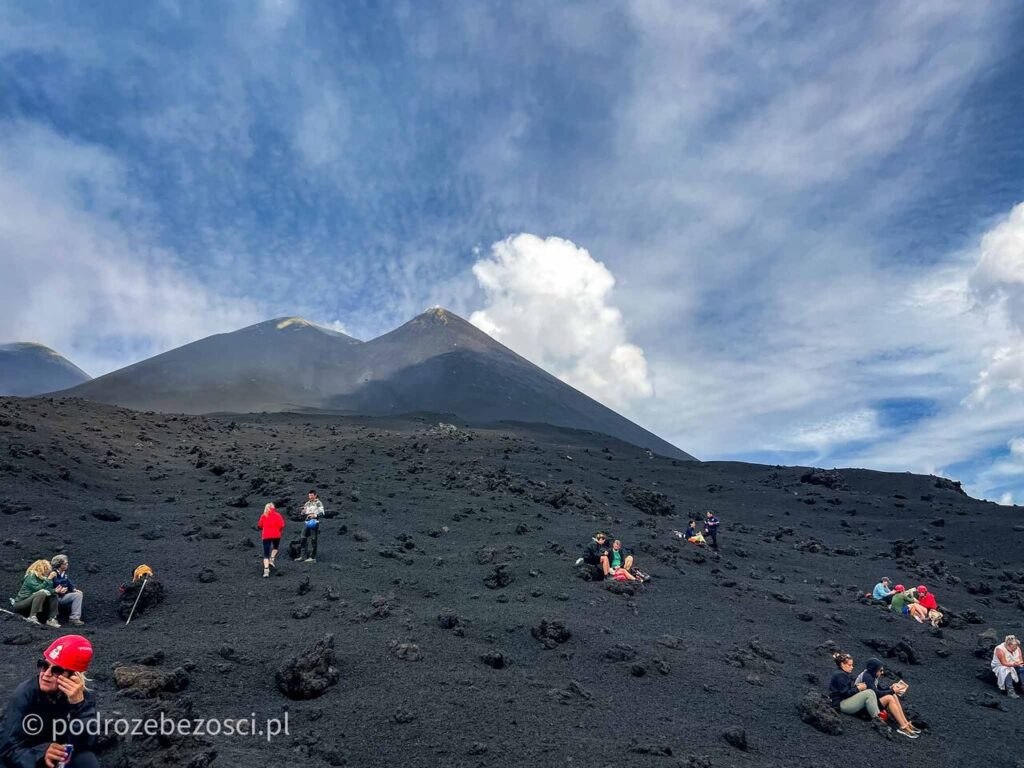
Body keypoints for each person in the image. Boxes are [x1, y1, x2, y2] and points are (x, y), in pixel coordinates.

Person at [0, 634, 98, 767]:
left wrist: (79, 705)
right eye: (44, 665)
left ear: (74, 676)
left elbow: (86, 744)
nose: (46, 675)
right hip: (27, 757)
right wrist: (41, 753)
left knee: (87, 760)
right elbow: (8, 750)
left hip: (57, 756)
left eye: (56, 670)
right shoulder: (24, 694)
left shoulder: (81, 696)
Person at [827, 652, 908, 734]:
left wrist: (856, 688)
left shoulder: (842, 673)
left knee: (871, 692)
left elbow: (844, 690)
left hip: (843, 701)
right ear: (842, 664)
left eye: (852, 665)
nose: (852, 667)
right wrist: (858, 688)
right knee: (869, 693)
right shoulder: (841, 675)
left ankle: (904, 724)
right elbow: (844, 694)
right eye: (849, 665)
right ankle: (879, 721)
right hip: (840, 704)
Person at [856, 657, 920, 737]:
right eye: (880, 670)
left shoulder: (871, 675)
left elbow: (879, 689)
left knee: (892, 695)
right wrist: (892, 690)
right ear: (874, 669)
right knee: (889, 697)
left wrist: (891, 688)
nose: (882, 672)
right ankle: (903, 727)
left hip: (869, 702)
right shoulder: (867, 677)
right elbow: (877, 693)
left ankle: (905, 723)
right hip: (864, 707)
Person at [9, 561, 59, 627]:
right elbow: (37, 588)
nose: (48, 572)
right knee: (42, 593)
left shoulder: (43, 578)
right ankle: (32, 616)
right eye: (47, 570)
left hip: (32, 601)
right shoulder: (31, 576)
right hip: (21, 603)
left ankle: (51, 619)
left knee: (54, 595)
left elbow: (48, 590)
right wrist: (49, 579)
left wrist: (55, 590)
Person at [47, 556, 84, 627]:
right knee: (54, 596)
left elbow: (69, 583)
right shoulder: (52, 574)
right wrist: (58, 591)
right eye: (65, 563)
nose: (67, 565)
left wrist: (74, 589)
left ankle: (74, 618)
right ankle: (52, 619)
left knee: (78, 595)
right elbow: (48, 586)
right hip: (53, 598)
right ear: (59, 565)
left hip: (62, 597)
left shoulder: (64, 574)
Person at [257, 503, 285, 578]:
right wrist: (278, 530)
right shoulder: (278, 515)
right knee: (275, 548)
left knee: (266, 554)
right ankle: (272, 559)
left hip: (266, 536)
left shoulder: (263, 516)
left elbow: (259, 525)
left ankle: (266, 570)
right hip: (276, 535)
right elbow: (282, 525)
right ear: (273, 508)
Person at [296, 490, 325, 563]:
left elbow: (322, 513)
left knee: (313, 539)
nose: (310, 497)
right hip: (307, 522)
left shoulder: (318, 503)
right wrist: (302, 511)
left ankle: (312, 557)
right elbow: (303, 513)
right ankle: (303, 556)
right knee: (303, 537)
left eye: (312, 495)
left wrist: (315, 515)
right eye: (309, 495)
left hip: (314, 522)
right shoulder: (307, 503)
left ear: (315, 495)